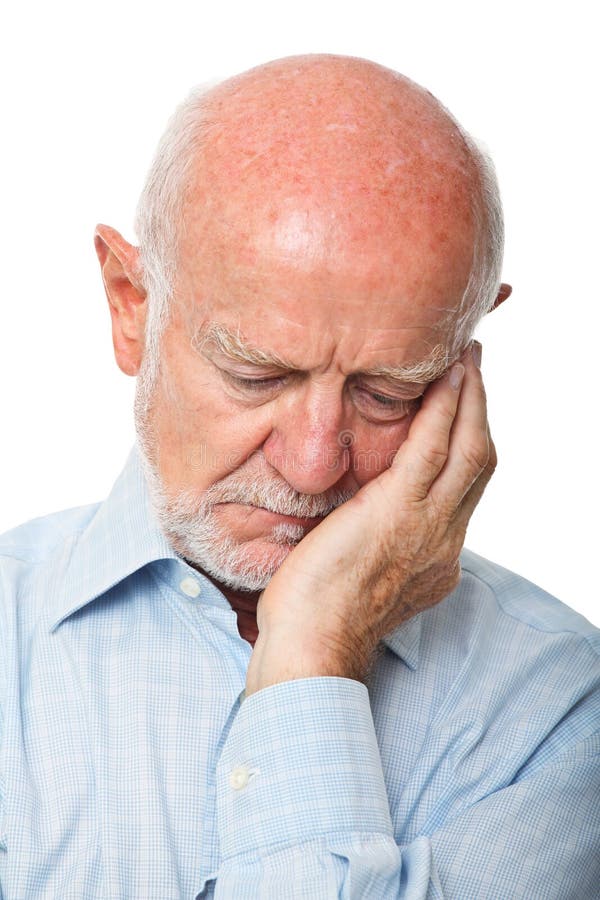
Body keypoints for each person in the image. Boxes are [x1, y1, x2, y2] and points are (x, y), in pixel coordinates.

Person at [0, 53, 598, 899]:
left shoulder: (563, 713)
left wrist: (315, 647)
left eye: (389, 392)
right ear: (131, 305)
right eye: (257, 375)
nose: (314, 465)